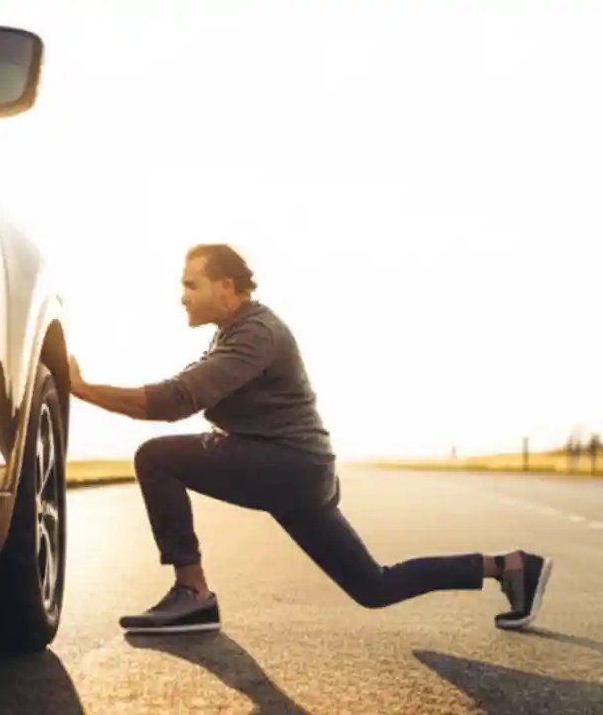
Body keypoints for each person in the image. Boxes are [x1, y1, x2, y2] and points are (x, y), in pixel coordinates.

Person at [67, 243, 553, 634]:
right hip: (301, 471)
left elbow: (176, 400)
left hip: (287, 464)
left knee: (155, 458)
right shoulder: (233, 333)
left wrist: (84, 390)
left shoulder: (256, 333)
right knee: (374, 587)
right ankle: (509, 566)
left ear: (226, 287)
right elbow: (183, 392)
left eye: (191, 285)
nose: (182, 297)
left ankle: (193, 593)